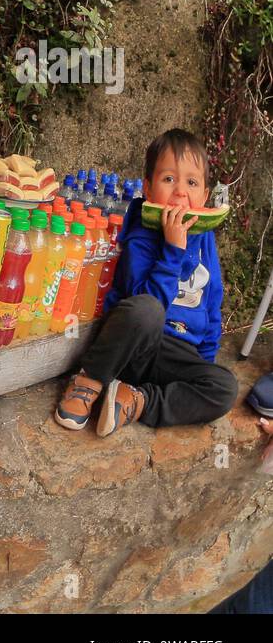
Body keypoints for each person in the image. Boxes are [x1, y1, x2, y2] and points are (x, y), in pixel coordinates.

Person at [55, 128, 238, 436]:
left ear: (205, 195)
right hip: (134, 349)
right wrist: (173, 250)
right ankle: (89, 382)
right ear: (148, 188)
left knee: (224, 387)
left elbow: (212, 302)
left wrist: (203, 364)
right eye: (169, 179)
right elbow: (142, 301)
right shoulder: (141, 233)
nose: (181, 191)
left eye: (192, 182)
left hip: (176, 355)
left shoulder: (205, 237)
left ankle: (136, 401)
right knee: (147, 309)